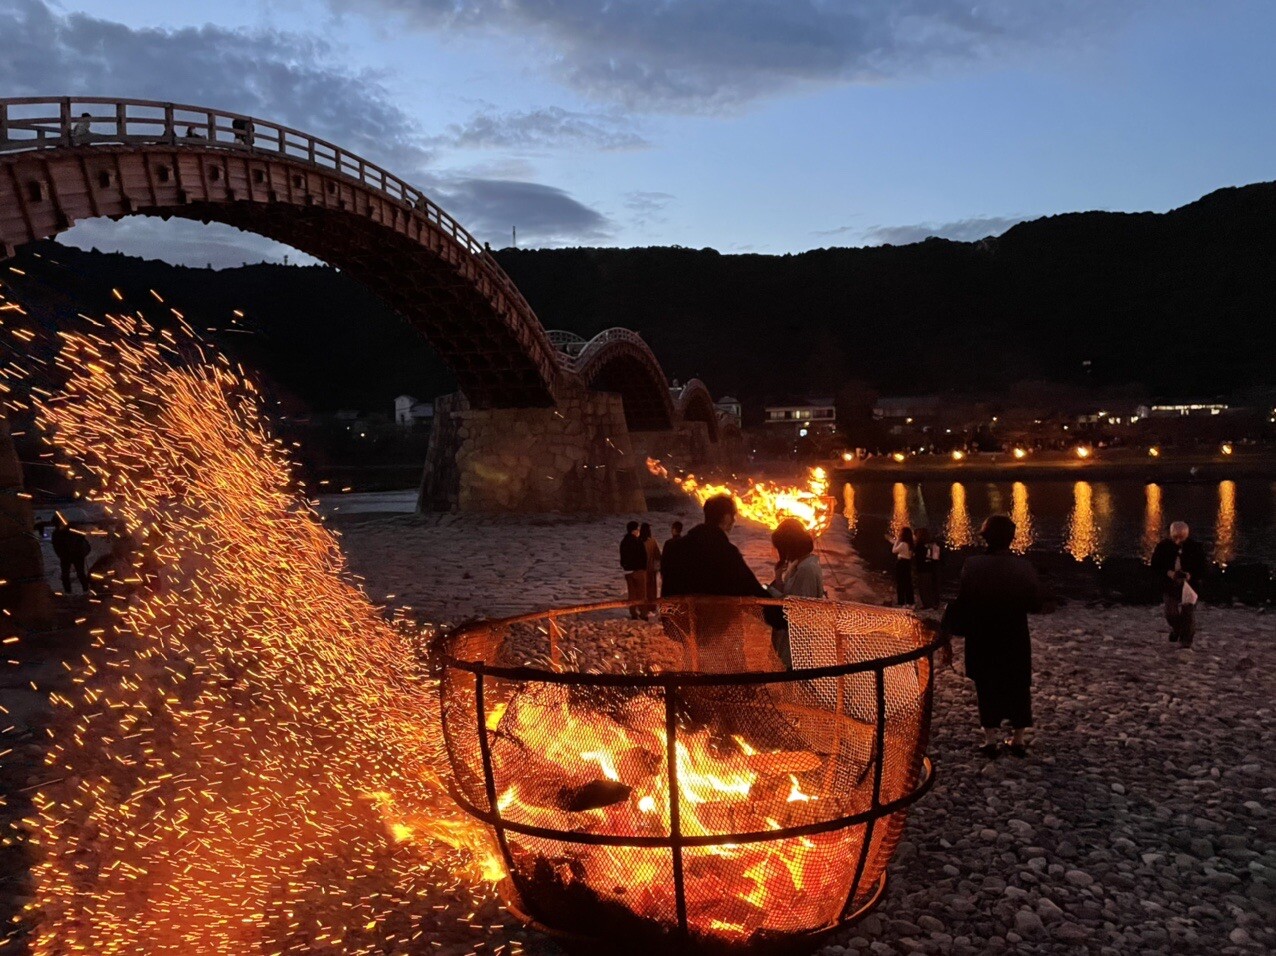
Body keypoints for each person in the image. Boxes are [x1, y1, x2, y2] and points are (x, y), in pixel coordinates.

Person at [945, 515, 1043, 759]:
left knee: (986, 685)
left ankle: (990, 740)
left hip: (983, 634)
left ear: (985, 537)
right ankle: (1018, 740)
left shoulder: (972, 565)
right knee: (1018, 685)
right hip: (1014, 634)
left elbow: (965, 599)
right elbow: (1035, 603)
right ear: (1011, 539)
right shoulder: (1024, 567)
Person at [661, 495, 768, 599]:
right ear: (726, 517)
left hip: (678, 615)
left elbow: (666, 593)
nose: (734, 520)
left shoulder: (672, 548)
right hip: (713, 616)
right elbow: (754, 591)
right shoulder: (726, 553)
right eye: (733, 515)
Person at [766, 518, 825, 668]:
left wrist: (769, 591)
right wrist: (778, 578)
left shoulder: (807, 569)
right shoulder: (799, 566)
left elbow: (797, 607)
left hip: (797, 645)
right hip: (788, 640)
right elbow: (789, 595)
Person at [1150, 521, 1208, 648]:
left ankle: (1186, 642)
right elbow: (1155, 565)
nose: (1178, 541)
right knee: (1170, 613)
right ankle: (1177, 629)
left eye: (1181, 538)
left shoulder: (1195, 547)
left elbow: (1203, 567)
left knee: (1188, 613)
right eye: (1175, 537)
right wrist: (1168, 572)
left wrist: (1190, 574)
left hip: (1190, 586)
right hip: (1170, 584)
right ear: (1170, 534)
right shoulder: (1163, 546)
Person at [50, 512, 91, 594]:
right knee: (65, 576)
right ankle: (68, 592)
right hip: (66, 556)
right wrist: (61, 555)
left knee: (80, 574)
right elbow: (56, 546)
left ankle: (86, 590)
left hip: (77, 554)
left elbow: (81, 538)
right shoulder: (57, 533)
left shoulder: (72, 529)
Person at [619, 520, 648, 620]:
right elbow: (643, 556)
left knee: (632, 594)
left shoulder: (624, 542)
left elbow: (622, 556)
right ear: (634, 530)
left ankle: (633, 612)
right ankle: (643, 613)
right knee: (641, 593)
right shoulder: (637, 541)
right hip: (638, 570)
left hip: (628, 571)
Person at [913, 527, 942, 609]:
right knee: (930, 587)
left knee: (923, 587)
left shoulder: (919, 545)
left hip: (922, 568)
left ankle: (927, 604)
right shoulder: (931, 545)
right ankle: (933, 603)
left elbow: (917, 556)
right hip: (931, 568)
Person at [887, 527, 915, 606]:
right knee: (908, 583)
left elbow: (894, 550)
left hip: (901, 563)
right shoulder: (910, 544)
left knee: (900, 583)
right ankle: (910, 602)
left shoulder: (903, 544)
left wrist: (897, 541)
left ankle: (901, 602)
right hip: (908, 563)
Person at [639, 522, 660, 618]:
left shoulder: (637, 541)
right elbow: (658, 556)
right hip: (650, 570)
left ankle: (641, 608)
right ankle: (651, 607)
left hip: (640, 570)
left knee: (642, 590)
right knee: (651, 590)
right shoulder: (652, 542)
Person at [659, 521, 684, 596]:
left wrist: (662, 572)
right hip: (680, 573)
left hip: (669, 573)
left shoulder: (668, 543)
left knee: (668, 596)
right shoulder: (684, 542)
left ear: (674, 529)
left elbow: (664, 559)